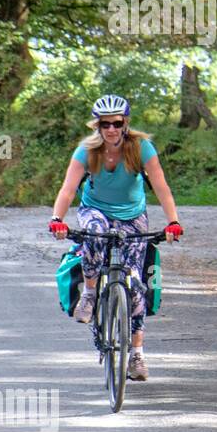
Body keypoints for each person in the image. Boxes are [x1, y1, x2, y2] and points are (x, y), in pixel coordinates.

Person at [48, 95, 183, 381]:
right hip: (95, 210)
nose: (110, 129)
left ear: (125, 124)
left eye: (116, 123)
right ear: (97, 126)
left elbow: (161, 187)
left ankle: (137, 354)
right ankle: (90, 292)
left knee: (135, 285)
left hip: (133, 215)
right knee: (94, 234)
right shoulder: (86, 151)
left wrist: (173, 222)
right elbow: (68, 189)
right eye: (105, 124)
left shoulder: (141, 148)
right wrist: (57, 219)